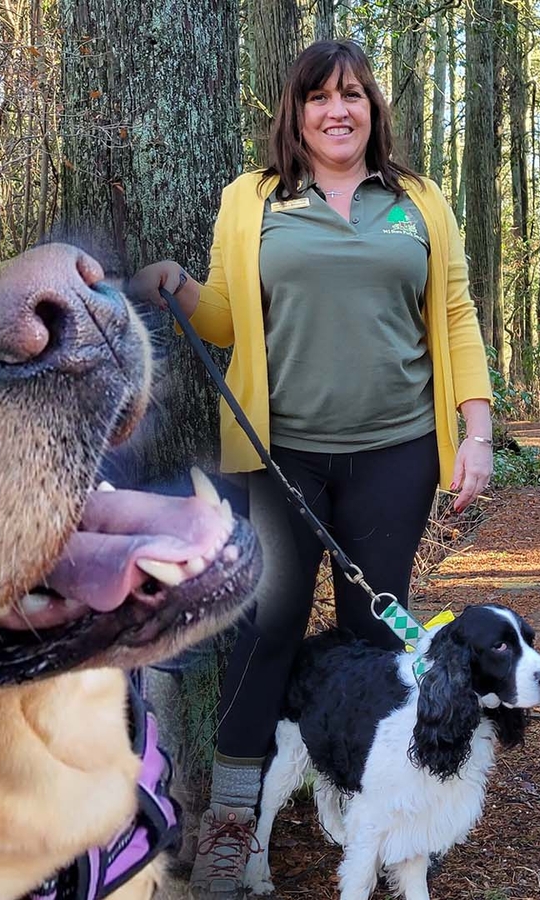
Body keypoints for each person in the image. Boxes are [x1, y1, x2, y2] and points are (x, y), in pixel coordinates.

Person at [127, 39, 492, 896]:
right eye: (319, 98)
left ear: (374, 108)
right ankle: (230, 821)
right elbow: (224, 316)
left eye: (353, 96)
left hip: (398, 451)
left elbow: (457, 313)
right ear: (295, 114)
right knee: (267, 630)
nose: (339, 111)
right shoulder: (252, 201)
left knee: (377, 634)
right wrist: (175, 285)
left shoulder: (419, 201)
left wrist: (475, 432)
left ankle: (382, 801)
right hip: (278, 454)